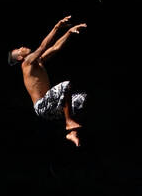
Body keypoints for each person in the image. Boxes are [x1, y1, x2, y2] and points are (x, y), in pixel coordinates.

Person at [9, 15, 88, 146]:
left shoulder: (37, 62)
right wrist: (56, 27)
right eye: (19, 50)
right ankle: (68, 122)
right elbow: (42, 47)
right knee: (66, 85)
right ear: (19, 58)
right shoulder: (26, 64)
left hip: (51, 105)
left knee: (82, 99)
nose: (22, 47)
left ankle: (72, 133)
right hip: (41, 106)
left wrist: (68, 32)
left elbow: (56, 47)